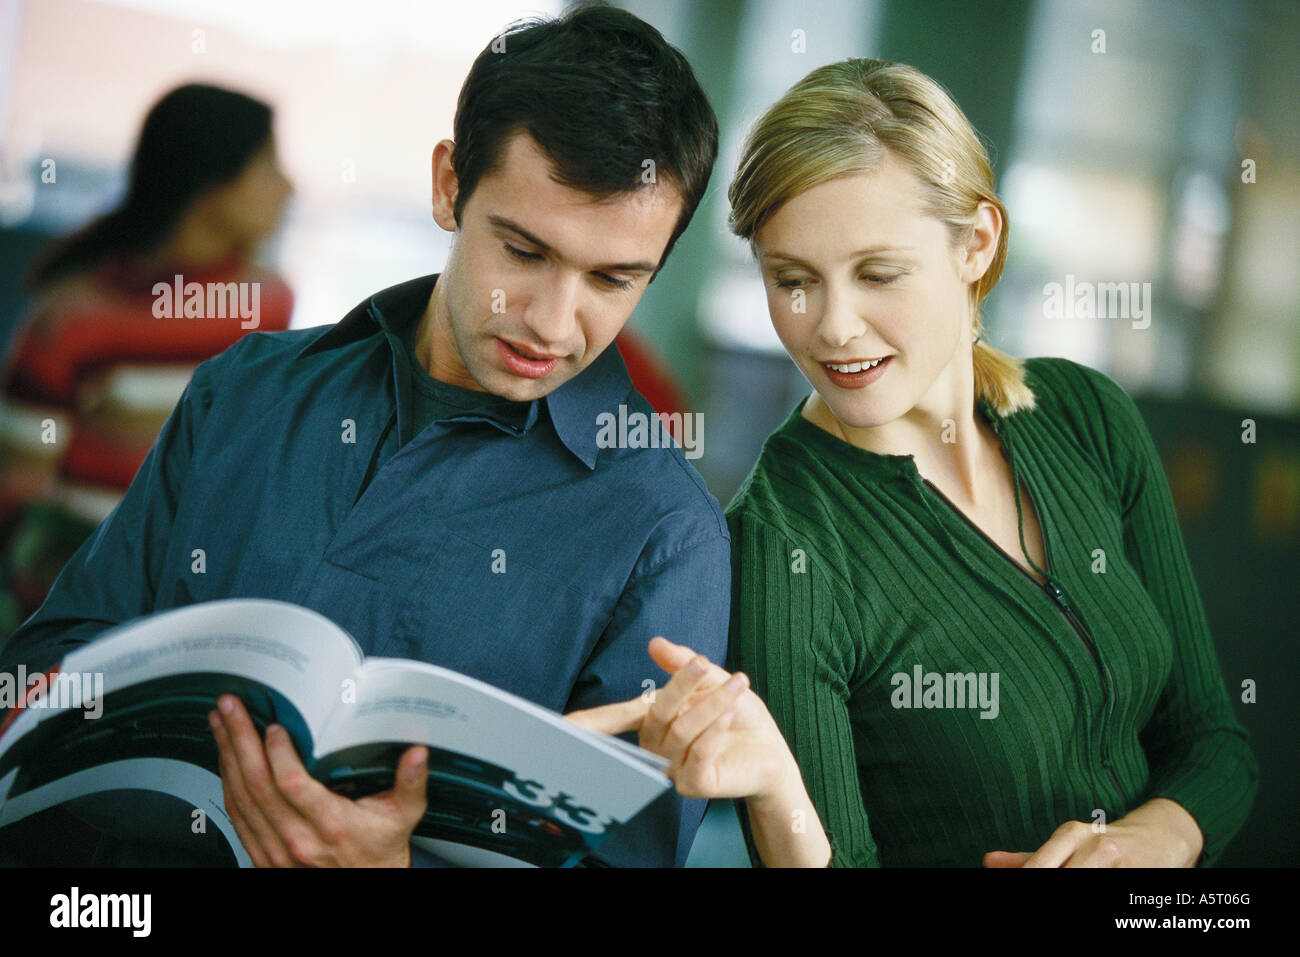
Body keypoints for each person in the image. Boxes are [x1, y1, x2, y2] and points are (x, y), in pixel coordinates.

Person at [0, 4, 727, 868]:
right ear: (450, 186)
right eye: (525, 251)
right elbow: (49, 658)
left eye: (613, 278)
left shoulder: (666, 537)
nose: (553, 323)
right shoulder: (242, 393)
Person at [577, 57, 1259, 868]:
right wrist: (778, 800)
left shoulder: (1088, 417)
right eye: (792, 280)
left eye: (877, 273)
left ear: (976, 243)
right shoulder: (784, 542)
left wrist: (1157, 837)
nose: (831, 327)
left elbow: (1213, 740)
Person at [0, 83, 294, 641]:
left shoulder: (271, 303)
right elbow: (14, 493)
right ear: (214, 185)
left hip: (198, 622)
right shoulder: (73, 320)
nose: (287, 186)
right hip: (76, 625)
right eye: (269, 165)